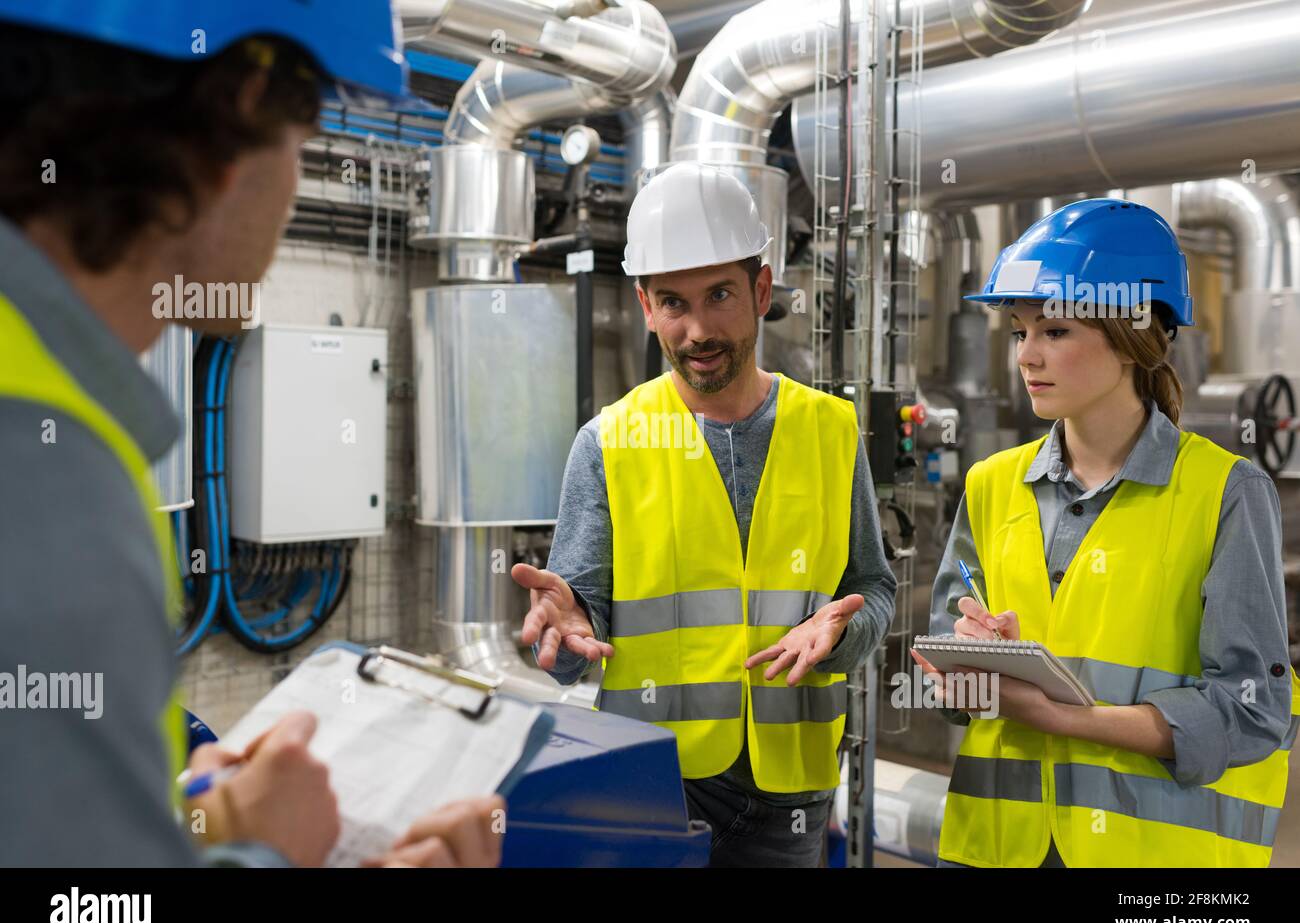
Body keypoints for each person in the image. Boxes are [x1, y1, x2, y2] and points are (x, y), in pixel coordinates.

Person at [0, 0, 502, 867]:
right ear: (234, 122)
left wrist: (187, 812)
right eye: (301, 142)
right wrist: (270, 852)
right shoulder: (49, 476)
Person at [510, 161, 898, 867]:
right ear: (644, 306)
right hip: (651, 783)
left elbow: (873, 590)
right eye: (673, 302)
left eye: (719, 294)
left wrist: (842, 632)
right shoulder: (609, 441)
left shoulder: (831, 430)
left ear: (760, 288)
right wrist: (566, 637)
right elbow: (577, 627)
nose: (696, 330)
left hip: (794, 792)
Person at [917, 198, 1298, 867]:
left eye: (1055, 331)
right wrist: (974, 663)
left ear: (1135, 337)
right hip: (997, 850)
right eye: (1019, 332)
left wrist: (1064, 716)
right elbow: (945, 687)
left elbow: (1255, 709)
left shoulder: (1224, 493)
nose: (1027, 356)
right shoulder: (991, 484)